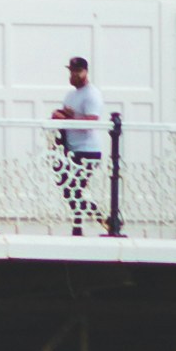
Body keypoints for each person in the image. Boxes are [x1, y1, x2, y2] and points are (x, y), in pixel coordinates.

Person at [55, 58, 108, 236]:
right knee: (69, 189)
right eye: (72, 71)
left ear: (86, 72)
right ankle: (89, 221)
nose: (74, 75)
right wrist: (58, 115)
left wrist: (68, 118)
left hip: (88, 150)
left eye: (78, 71)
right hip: (71, 149)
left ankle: (84, 224)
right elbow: (65, 115)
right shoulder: (71, 95)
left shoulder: (92, 94)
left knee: (74, 188)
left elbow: (91, 122)